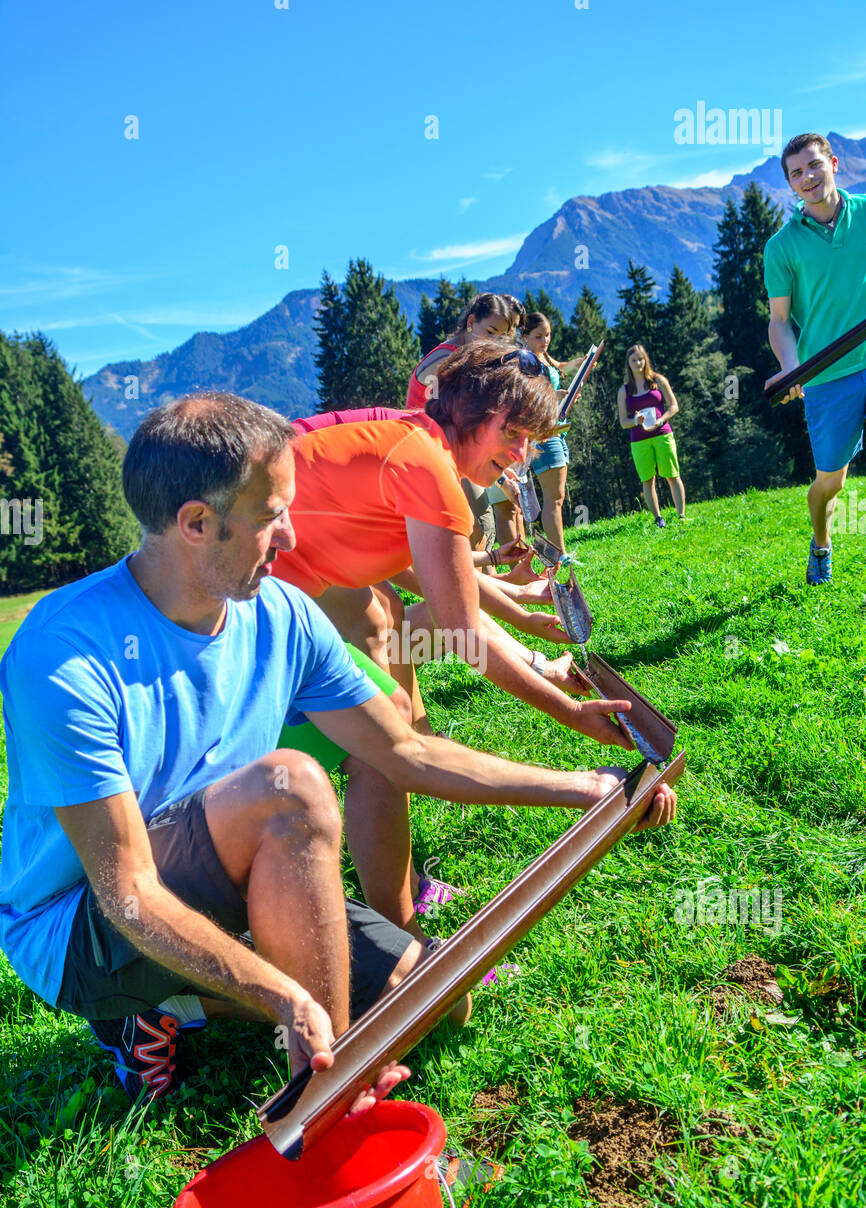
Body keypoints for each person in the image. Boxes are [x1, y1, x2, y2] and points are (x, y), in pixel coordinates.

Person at [0, 393, 677, 1103]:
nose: (293, 539)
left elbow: (404, 753)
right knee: (288, 787)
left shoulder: (284, 615)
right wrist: (289, 1000)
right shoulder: (62, 655)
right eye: (272, 517)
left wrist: (583, 786)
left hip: (236, 871)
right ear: (196, 523)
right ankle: (329, 1087)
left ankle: (177, 1008)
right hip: (86, 931)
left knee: (442, 1001)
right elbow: (129, 894)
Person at [272, 342, 648, 938]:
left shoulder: (414, 440)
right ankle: (400, 942)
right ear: (487, 416)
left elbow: (439, 581)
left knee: (385, 670)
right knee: (381, 737)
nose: (522, 457)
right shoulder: (427, 466)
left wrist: (526, 629)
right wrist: (571, 712)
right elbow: (460, 628)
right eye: (517, 435)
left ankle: (398, 921)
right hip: (245, 611)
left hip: (257, 598)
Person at [763, 132, 866, 584]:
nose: (807, 177)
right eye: (796, 173)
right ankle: (821, 540)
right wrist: (791, 370)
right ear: (789, 184)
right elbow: (780, 321)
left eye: (814, 165)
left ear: (834, 163)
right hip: (828, 376)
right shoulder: (781, 247)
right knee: (830, 484)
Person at [407, 293, 522, 557]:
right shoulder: (448, 360)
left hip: (451, 451)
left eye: (501, 336)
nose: (495, 341)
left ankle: (490, 593)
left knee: (482, 530)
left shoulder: (469, 355)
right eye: (490, 331)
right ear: (471, 322)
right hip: (430, 452)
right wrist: (501, 476)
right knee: (477, 530)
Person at [488, 312, 587, 553]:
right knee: (553, 498)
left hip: (557, 429)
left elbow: (554, 370)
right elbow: (526, 398)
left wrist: (571, 373)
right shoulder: (526, 362)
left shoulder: (543, 358)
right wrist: (554, 397)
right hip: (542, 433)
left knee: (558, 497)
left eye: (548, 335)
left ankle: (552, 552)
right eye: (539, 336)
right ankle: (559, 554)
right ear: (525, 337)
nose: (545, 340)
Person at [617, 345, 687, 527]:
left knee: (672, 475)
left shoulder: (658, 380)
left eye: (641, 359)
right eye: (634, 360)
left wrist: (661, 420)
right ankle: (658, 519)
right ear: (628, 364)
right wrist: (635, 421)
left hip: (663, 434)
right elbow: (623, 421)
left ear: (645, 360)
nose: (638, 363)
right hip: (639, 441)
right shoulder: (624, 391)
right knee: (648, 480)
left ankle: (681, 516)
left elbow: (674, 405)